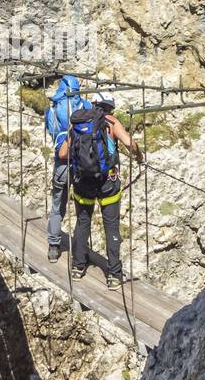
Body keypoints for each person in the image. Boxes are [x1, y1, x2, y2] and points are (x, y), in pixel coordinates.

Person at [57, 91, 142, 289]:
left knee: (83, 222)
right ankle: (113, 275)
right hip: (108, 182)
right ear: (110, 107)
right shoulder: (111, 122)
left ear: (93, 103)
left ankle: (78, 267)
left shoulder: (78, 123)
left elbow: (62, 153)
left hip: (83, 182)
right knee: (111, 226)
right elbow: (130, 144)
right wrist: (140, 156)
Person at [44, 75, 88, 262]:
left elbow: (51, 131)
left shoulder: (51, 110)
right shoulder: (85, 106)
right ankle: (80, 251)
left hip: (61, 163)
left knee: (57, 205)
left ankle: (54, 246)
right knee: (83, 209)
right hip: (81, 163)